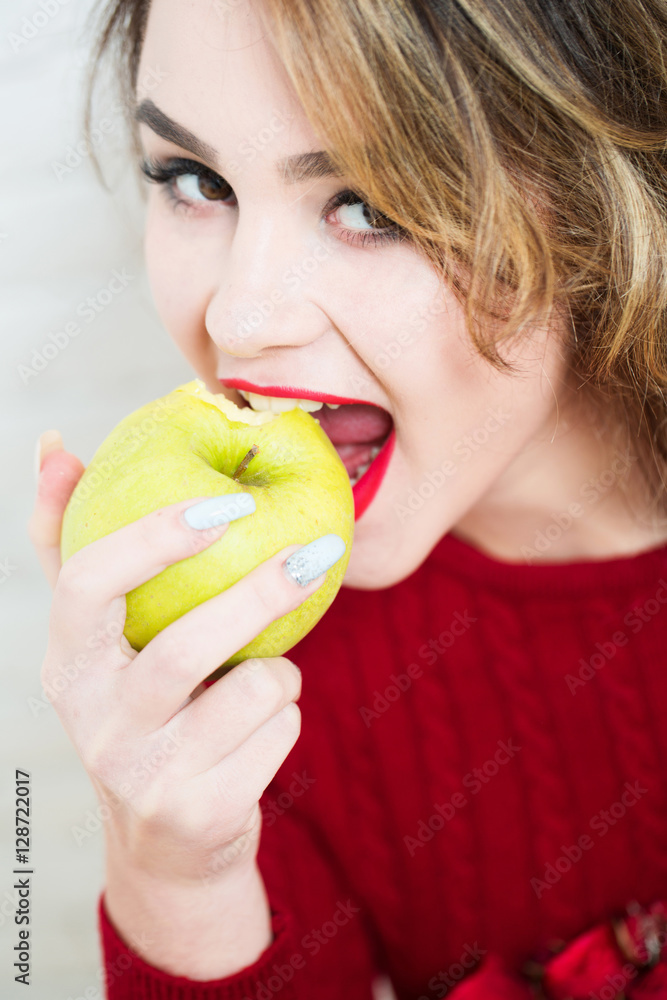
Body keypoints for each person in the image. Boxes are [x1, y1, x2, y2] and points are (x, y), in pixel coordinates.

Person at [28, 0, 667, 996]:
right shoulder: (247, 673)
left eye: (371, 204)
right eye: (191, 180)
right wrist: (176, 881)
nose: (237, 315)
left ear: (612, 200)